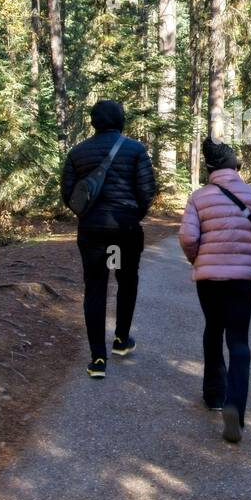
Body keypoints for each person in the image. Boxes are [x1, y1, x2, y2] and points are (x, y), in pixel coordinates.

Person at [178, 137, 251, 443]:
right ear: (235, 166)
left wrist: (198, 260)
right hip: (242, 280)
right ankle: (235, 405)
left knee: (213, 328)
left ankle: (213, 395)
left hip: (208, 280)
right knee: (239, 340)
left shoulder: (198, 198)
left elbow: (187, 237)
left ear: (210, 169)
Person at [61, 100, 156, 378]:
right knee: (127, 281)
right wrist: (133, 214)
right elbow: (147, 189)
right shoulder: (136, 149)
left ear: (93, 122)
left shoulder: (77, 152)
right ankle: (121, 340)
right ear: (121, 120)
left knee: (95, 288)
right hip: (125, 229)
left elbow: (69, 193)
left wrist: (87, 216)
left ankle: (97, 360)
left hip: (92, 230)